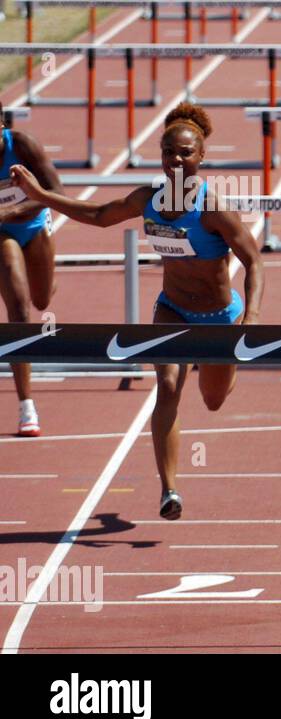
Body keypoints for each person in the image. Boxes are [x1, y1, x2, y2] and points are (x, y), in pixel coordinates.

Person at [11, 103, 265, 520]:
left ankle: (215, 368)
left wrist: (250, 321)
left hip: (220, 319)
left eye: (186, 153)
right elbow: (96, 215)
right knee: (167, 387)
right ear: (161, 156)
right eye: (170, 152)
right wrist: (41, 197)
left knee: (214, 400)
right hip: (172, 311)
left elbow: (254, 262)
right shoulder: (147, 200)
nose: (177, 160)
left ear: (201, 158)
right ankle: (170, 491)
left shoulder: (214, 209)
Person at [0, 105, 63, 436]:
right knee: (20, 309)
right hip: (2, 237)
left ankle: (46, 281)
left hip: (35, 225)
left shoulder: (23, 145)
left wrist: (9, 211)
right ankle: (26, 405)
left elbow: (57, 193)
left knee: (41, 300)